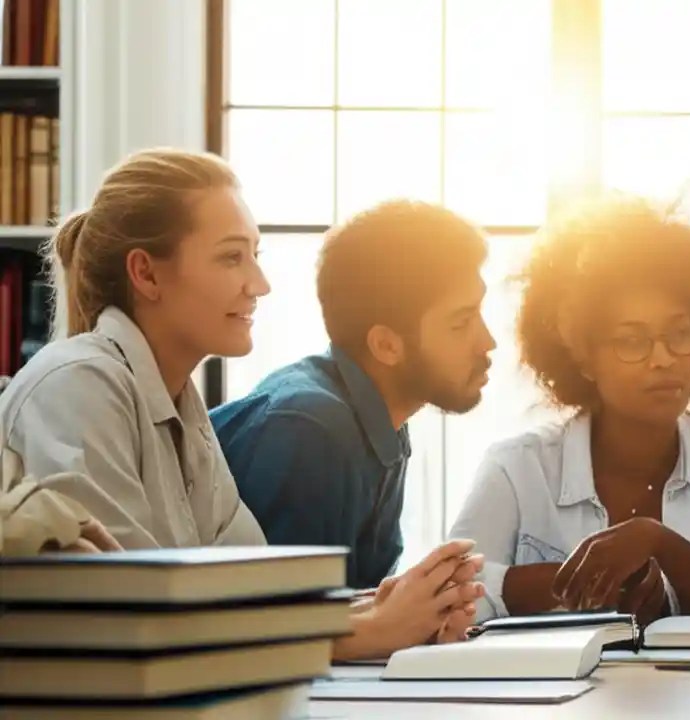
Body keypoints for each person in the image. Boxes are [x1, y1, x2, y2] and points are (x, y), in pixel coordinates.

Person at [0, 148, 483, 660]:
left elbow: (257, 594)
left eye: (256, 255)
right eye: (232, 257)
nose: (260, 284)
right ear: (146, 273)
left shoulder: (181, 409)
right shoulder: (78, 387)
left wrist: (385, 608)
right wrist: (372, 631)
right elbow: (125, 615)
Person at [449, 196, 690, 625]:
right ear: (582, 357)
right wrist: (592, 581)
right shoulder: (517, 468)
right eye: (633, 341)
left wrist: (660, 544)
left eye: (679, 334)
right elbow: (451, 597)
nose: (663, 359)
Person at [210, 200, 495, 590]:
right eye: (461, 323)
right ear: (386, 346)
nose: (488, 342)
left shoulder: (381, 419)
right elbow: (284, 618)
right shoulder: (308, 430)